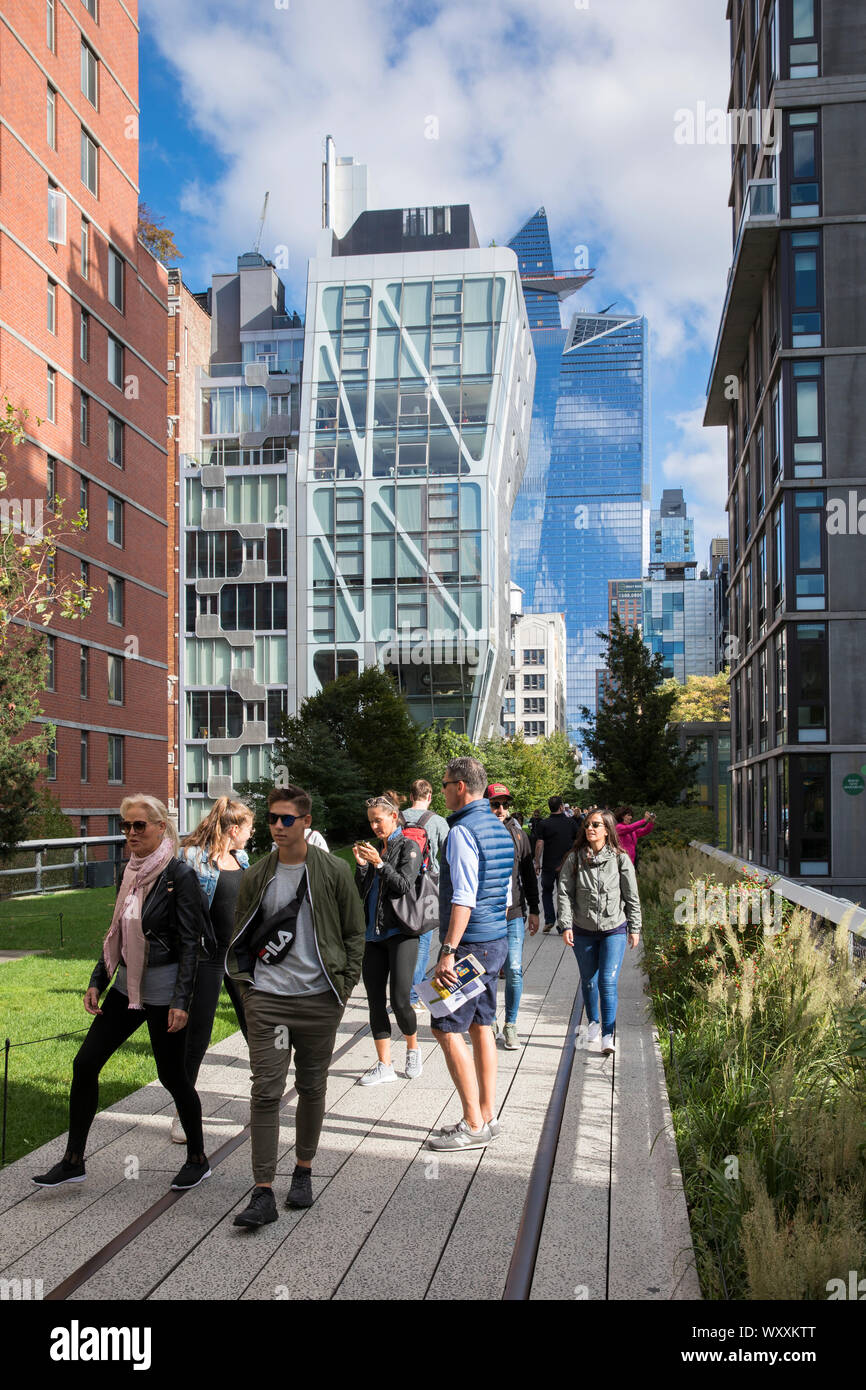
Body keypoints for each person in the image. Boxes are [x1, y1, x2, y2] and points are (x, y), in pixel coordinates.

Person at [33, 796, 212, 1192]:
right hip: (126, 988)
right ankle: (73, 1160)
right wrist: (99, 977)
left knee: (172, 1076)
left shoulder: (178, 874)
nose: (129, 833)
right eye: (125, 826)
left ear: (160, 827)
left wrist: (182, 1001)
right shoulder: (129, 870)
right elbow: (116, 930)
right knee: (85, 1063)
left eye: (138, 826)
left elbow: (189, 943)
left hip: (165, 991)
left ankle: (198, 1158)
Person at [226, 784, 365, 1227]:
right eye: (272, 818)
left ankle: (303, 1171)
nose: (278, 826)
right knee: (266, 1091)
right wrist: (249, 992)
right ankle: (262, 1190)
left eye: (287, 819)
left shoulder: (333, 871)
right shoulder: (257, 874)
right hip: (268, 999)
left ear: (307, 822)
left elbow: (353, 933)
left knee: (311, 1088)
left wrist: (340, 990)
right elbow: (243, 934)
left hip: (318, 999)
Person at [426, 756, 514, 1152]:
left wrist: (448, 951)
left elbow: (463, 897)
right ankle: (488, 1115)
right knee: (482, 1025)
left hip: (470, 946)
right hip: (496, 941)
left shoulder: (462, 832)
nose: (442, 789)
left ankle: (472, 1123)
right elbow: (503, 893)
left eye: (444, 783)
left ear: (460, 786)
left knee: (443, 1027)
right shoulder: (498, 829)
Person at [171, 797, 254, 1143]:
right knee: (198, 1035)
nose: (251, 835)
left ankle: (264, 1100)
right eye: (249, 829)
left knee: (258, 1029)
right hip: (206, 956)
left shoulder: (241, 858)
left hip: (240, 957)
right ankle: (183, 1112)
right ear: (234, 830)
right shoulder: (191, 858)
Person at [548, 806, 642, 1056]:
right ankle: (593, 1023)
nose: (590, 828)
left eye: (596, 825)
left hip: (614, 929)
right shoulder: (574, 858)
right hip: (583, 929)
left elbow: (632, 896)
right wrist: (565, 924)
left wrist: (635, 927)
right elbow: (564, 893)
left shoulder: (621, 858)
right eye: (588, 824)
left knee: (607, 981)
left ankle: (608, 1034)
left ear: (607, 830)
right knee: (589, 981)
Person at [353, 796, 424, 1084]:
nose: (373, 825)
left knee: (400, 1000)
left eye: (378, 820)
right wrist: (361, 867)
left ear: (394, 816)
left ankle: (413, 1047)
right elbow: (362, 891)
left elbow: (404, 886)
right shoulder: (375, 849)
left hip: (401, 933)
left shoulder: (409, 847)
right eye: (370, 820)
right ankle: (384, 1064)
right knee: (374, 1001)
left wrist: (381, 864)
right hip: (374, 935)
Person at [487, 783, 539, 1050]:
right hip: (486, 915)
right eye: (495, 804)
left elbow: (528, 875)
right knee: (489, 972)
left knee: (515, 969)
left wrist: (535, 909)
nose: (501, 809)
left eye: (505, 805)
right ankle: (489, 1021)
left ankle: (510, 1024)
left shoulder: (519, 836)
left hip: (514, 913)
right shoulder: (478, 832)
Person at [403, 778, 450, 1012]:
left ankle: (400, 990)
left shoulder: (396, 818)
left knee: (401, 937)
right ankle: (413, 996)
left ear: (411, 796)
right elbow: (448, 855)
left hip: (399, 886)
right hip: (428, 887)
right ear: (430, 797)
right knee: (423, 941)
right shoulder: (438, 821)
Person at [533, 796, 577, 933]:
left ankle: (549, 919)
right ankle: (562, 924)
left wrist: (536, 862)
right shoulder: (571, 823)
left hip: (548, 864)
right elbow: (577, 842)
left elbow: (539, 844)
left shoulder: (544, 824)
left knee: (546, 891)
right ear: (561, 807)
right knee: (563, 893)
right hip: (566, 864)